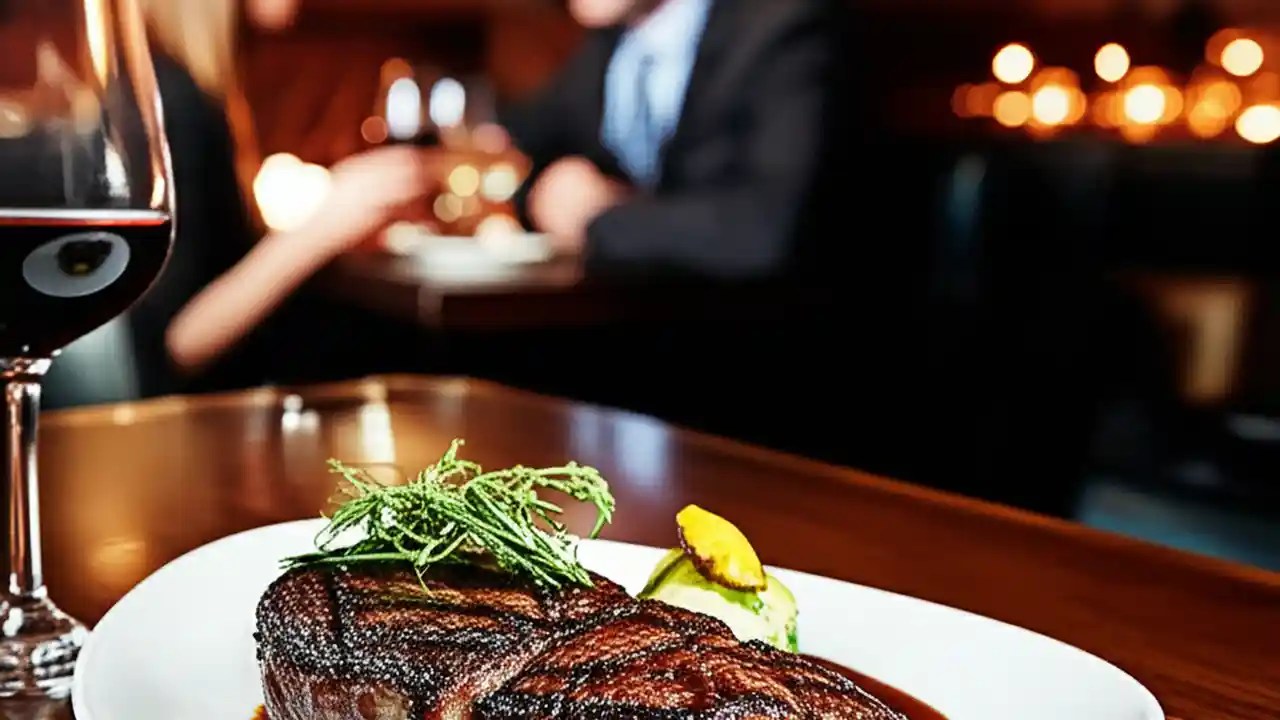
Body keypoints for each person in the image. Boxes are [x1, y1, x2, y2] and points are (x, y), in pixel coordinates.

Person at [126, 0, 433, 391]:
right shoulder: (173, 98)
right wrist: (327, 220)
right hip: (204, 429)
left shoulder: (187, 86)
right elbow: (177, 343)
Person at [503, 0, 854, 280]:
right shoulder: (609, 44)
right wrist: (546, 197)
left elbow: (763, 230)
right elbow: (523, 151)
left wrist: (599, 218)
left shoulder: (782, 27)